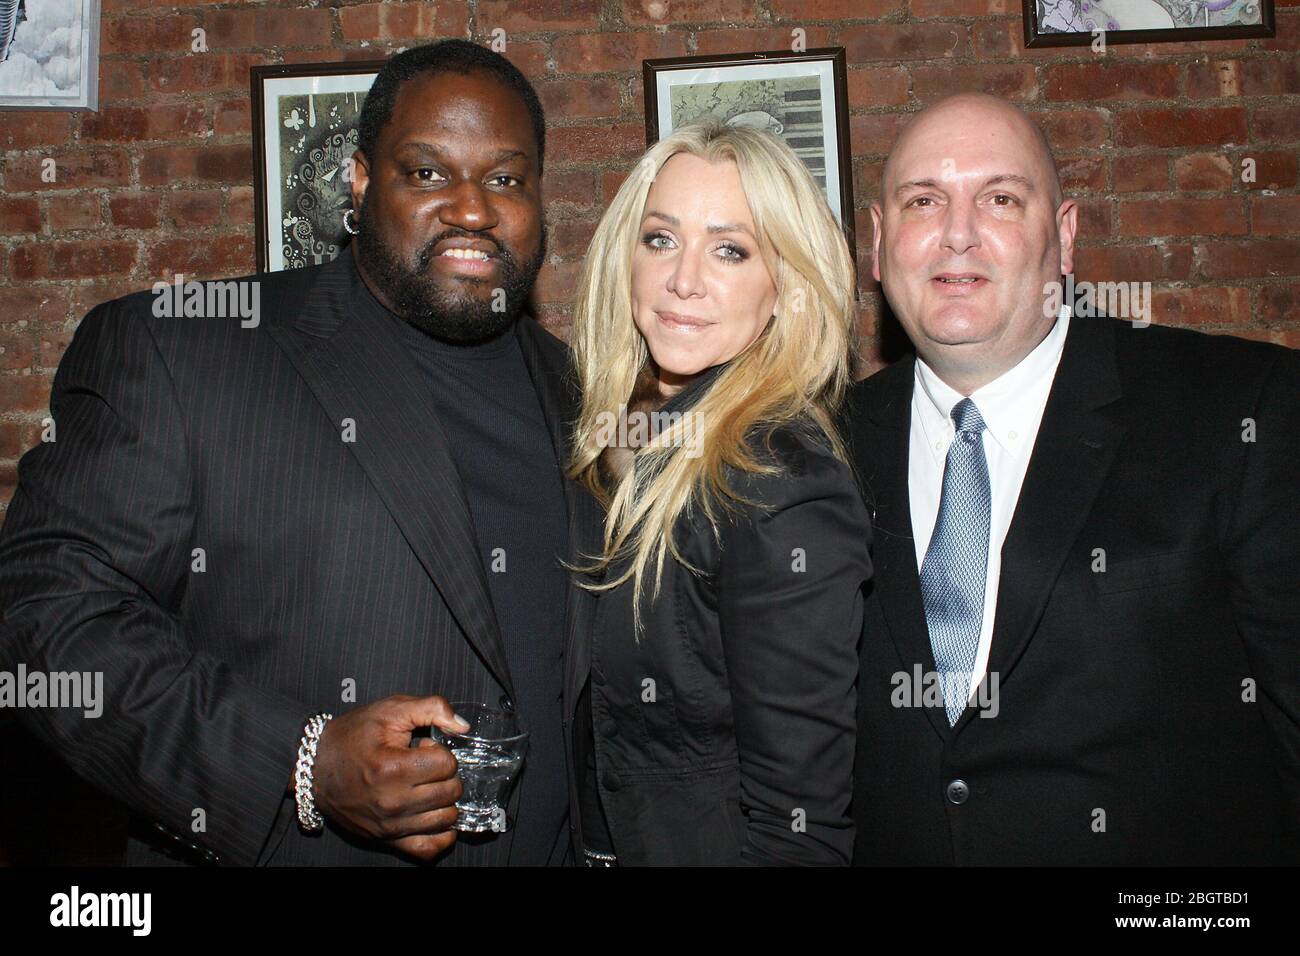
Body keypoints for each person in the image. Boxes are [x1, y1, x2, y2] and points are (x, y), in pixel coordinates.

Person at [0, 39, 604, 866]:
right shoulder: (185, 349)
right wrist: (299, 759)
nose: (472, 208)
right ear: (359, 183)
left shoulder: (580, 391)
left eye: (506, 178)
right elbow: (43, 618)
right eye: (427, 173)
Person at [847, 92, 1299, 865]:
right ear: (882, 242)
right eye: (924, 201)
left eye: (1000, 199)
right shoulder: (822, 442)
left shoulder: (1238, 412)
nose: (958, 234)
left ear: (1063, 238)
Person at [566, 121, 871, 866]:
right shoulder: (620, 434)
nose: (683, 280)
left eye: (730, 250)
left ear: (785, 290)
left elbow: (799, 822)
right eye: (662, 239)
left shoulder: (781, 481)